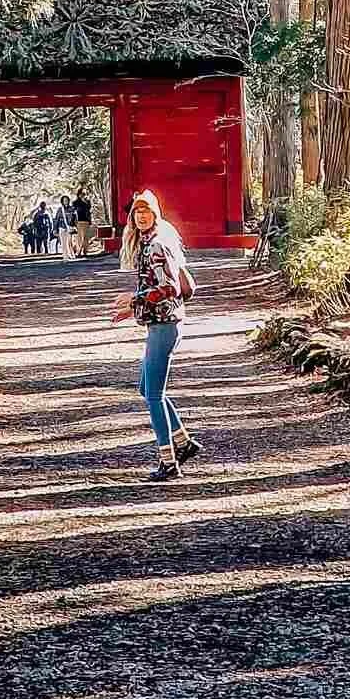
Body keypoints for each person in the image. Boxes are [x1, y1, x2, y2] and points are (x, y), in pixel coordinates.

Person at [111, 187, 202, 482]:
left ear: (156, 213)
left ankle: (169, 461)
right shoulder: (153, 240)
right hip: (162, 323)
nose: (140, 217)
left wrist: (134, 301)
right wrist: (134, 307)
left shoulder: (157, 246)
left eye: (146, 211)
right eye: (136, 212)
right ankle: (183, 442)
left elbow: (171, 288)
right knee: (146, 389)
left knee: (153, 395)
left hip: (165, 325)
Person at [72, 189, 93, 257]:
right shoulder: (75, 202)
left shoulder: (87, 201)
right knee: (80, 237)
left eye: (85, 193)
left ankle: (85, 251)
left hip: (86, 220)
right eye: (82, 193)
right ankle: (78, 251)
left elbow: (89, 209)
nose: (83, 195)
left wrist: (85, 201)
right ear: (79, 194)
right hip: (79, 221)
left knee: (86, 237)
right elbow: (75, 211)